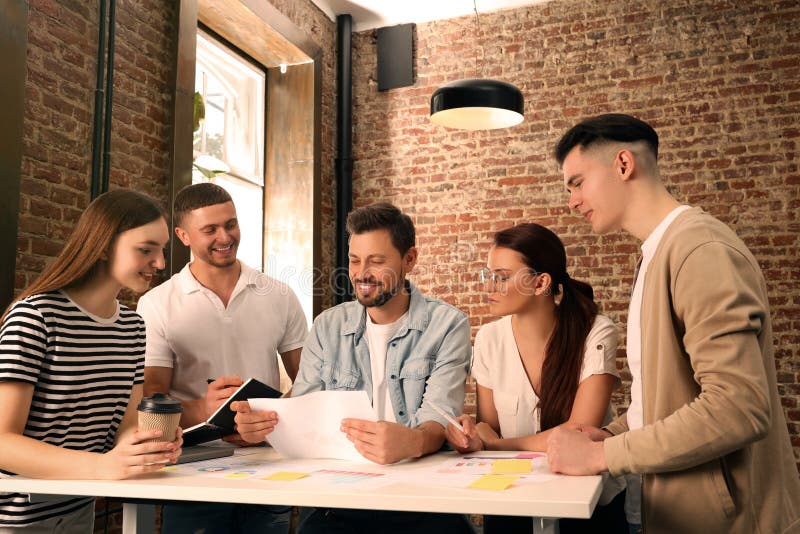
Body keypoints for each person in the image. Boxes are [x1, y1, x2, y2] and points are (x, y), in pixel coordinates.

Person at [546, 113, 800, 533]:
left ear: (623, 164)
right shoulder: (656, 254)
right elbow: (668, 399)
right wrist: (609, 435)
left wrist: (602, 457)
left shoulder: (699, 250)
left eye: (577, 182)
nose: (572, 201)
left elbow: (739, 407)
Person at [233, 202, 474, 534]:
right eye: (355, 260)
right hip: (338, 502)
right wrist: (262, 427)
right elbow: (304, 411)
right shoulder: (327, 326)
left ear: (410, 260)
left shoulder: (448, 325)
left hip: (424, 501)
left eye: (376, 261)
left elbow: (439, 414)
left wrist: (412, 442)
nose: (362, 273)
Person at [0, 189, 181, 532]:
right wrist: (104, 466)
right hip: (14, 517)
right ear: (101, 246)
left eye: (161, 251)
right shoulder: (36, 317)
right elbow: (2, 443)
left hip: (79, 507)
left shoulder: (132, 326)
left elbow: (126, 424)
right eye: (146, 250)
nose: (159, 263)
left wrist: (147, 445)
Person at [137, 182, 308, 534]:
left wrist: (271, 421)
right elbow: (151, 399)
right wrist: (203, 408)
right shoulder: (157, 303)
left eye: (230, 224)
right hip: (192, 471)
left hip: (269, 467)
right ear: (183, 235)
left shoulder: (279, 294)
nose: (224, 236)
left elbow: (309, 380)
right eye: (210, 229)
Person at [443, 222, 627, 533]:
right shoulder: (489, 338)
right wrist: (474, 435)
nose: (489, 287)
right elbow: (489, 424)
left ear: (541, 282)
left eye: (501, 277)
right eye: (487, 275)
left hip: (587, 504)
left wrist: (495, 446)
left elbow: (579, 435)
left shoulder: (597, 332)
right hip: (513, 498)